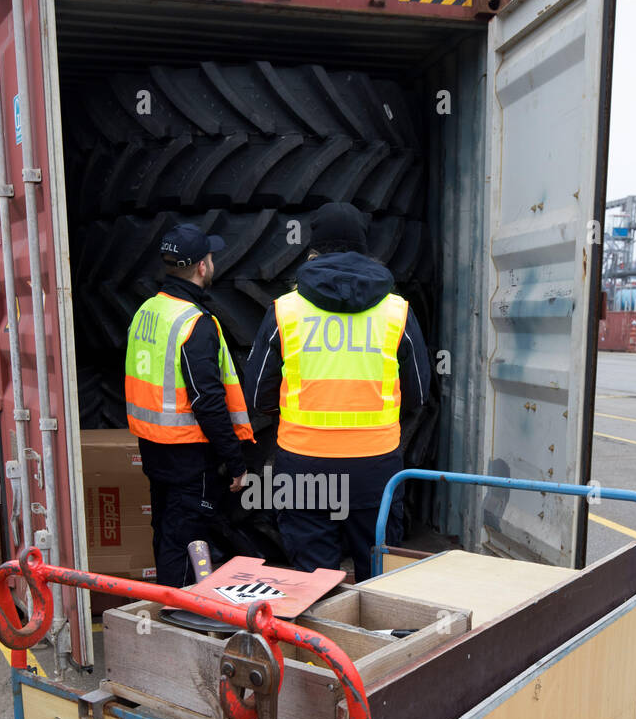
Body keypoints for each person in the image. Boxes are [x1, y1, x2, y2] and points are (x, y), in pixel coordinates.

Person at [244, 202, 431, 582]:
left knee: (313, 579)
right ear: (364, 248)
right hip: (376, 464)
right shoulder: (397, 311)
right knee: (379, 570)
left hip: (303, 462)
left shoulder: (285, 310)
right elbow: (419, 395)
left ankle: (318, 639)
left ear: (313, 249)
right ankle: (378, 640)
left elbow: (258, 395)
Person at [125, 223, 254, 586]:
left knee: (167, 528)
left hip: (154, 447)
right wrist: (234, 459)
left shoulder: (148, 310)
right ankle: (178, 614)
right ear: (201, 266)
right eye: (210, 258)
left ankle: (170, 603)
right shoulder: (195, 323)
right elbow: (207, 400)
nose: (212, 263)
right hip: (188, 454)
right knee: (185, 538)